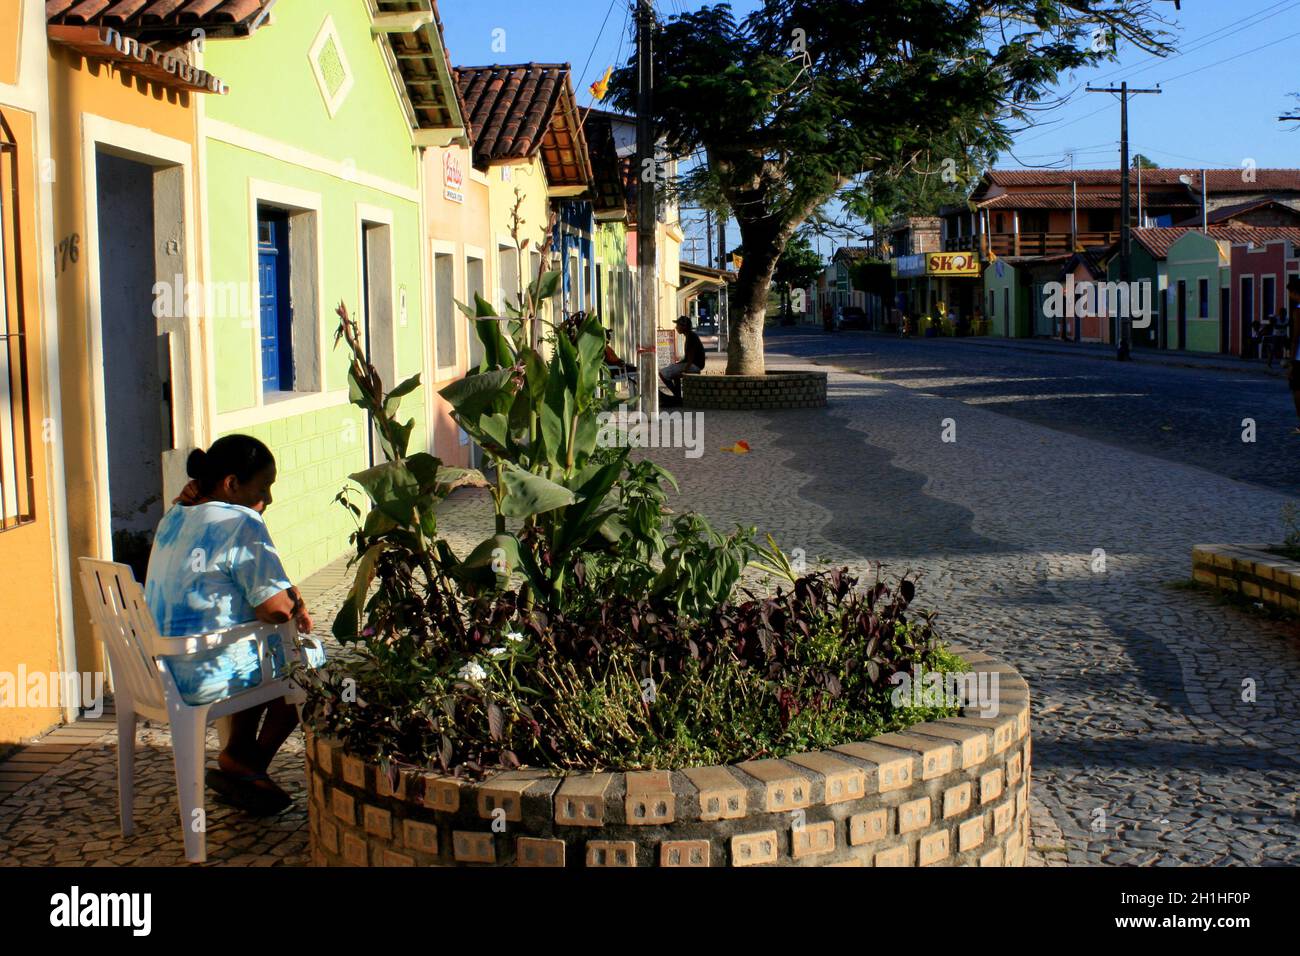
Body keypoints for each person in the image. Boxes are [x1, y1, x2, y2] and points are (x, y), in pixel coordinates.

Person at [145, 434, 325, 816]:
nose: (269, 498)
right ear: (231, 484)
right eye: (264, 486)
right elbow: (275, 609)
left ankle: (241, 757)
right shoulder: (240, 522)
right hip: (202, 671)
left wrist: (284, 597)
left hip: (158, 668)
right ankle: (249, 761)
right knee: (309, 663)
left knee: (259, 642)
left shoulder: (174, 515)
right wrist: (294, 602)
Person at [659, 315, 706, 400]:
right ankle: (677, 396)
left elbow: (691, 356)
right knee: (673, 370)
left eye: (678, 325)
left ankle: (677, 397)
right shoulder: (689, 336)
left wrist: (685, 370)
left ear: (684, 326)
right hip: (694, 365)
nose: (676, 327)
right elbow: (687, 358)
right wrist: (678, 365)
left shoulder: (691, 337)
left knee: (662, 373)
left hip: (694, 366)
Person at [1288, 276, 1300, 430]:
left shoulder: (1298, 311)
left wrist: (1291, 361)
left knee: (1297, 389)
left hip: (1299, 357)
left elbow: (1296, 336)